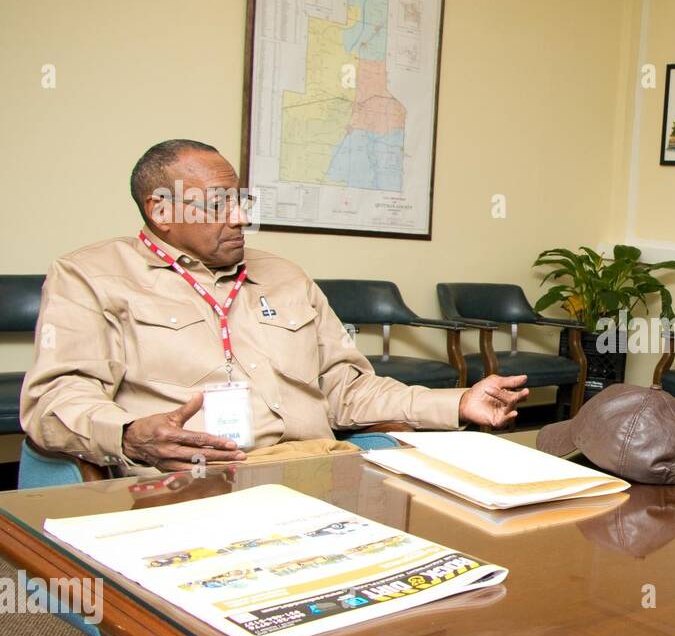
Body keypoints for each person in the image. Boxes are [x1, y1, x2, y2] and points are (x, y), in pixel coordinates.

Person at [20, 139, 527, 473]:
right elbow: (54, 401)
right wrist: (128, 435)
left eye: (243, 201)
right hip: (195, 482)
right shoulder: (88, 276)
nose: (240, 217)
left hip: (318, 469)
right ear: (162, 210)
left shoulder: (285, 275)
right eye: (219, 203)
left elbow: (346, 391)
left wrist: (455, 402)